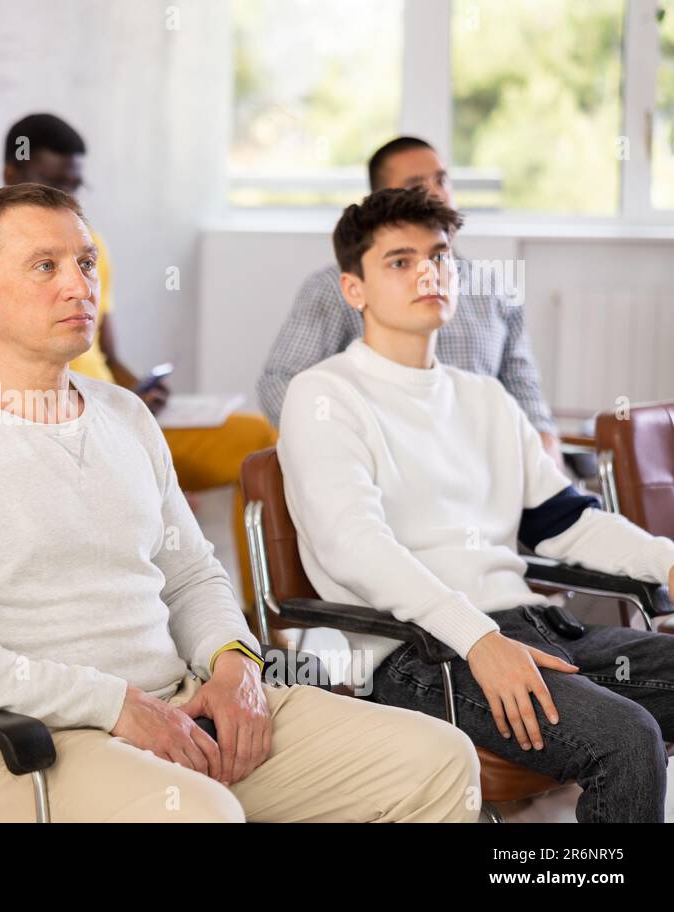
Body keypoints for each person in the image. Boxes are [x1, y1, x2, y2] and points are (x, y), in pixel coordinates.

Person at [0, 182, 481, 823]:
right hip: (16, 743)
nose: (79, 285)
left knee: (438, 760)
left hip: (181, 706)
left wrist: (234, 664)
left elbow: (191, 575)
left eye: (85, 262)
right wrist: (114, 704)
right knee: (202, 814)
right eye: (45, 266)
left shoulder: (126, 416)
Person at [279, 187, 674, 822]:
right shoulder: (324, 395)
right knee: (625, 740)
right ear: (354, 289)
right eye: (400, 261)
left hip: (536, 631)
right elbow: (351, 546)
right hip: (423, 653)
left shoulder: (484, 397)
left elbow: (562, 522)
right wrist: (477, 637)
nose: (428, 272)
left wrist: (666, 562)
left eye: (440, 255)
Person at [0, 113, 278, 613]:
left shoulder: (87, 245)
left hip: (114, 413)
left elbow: (109, 355)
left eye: (74, 185)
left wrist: (140, 393)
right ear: (12, 173)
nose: (77, 282)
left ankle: (265, 622)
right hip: (34, 422)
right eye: (46, 267)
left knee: (257, 441)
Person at [258, 135, 562, 466]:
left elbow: (523, 385)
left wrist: (545, 448)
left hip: (491, 463)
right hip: (392, 461)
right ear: (383, 199)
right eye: (417, 186)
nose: (437, 193)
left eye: (442, 180)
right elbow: (280, 381)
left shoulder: (494, 286)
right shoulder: (336, 287)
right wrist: (348, 444)